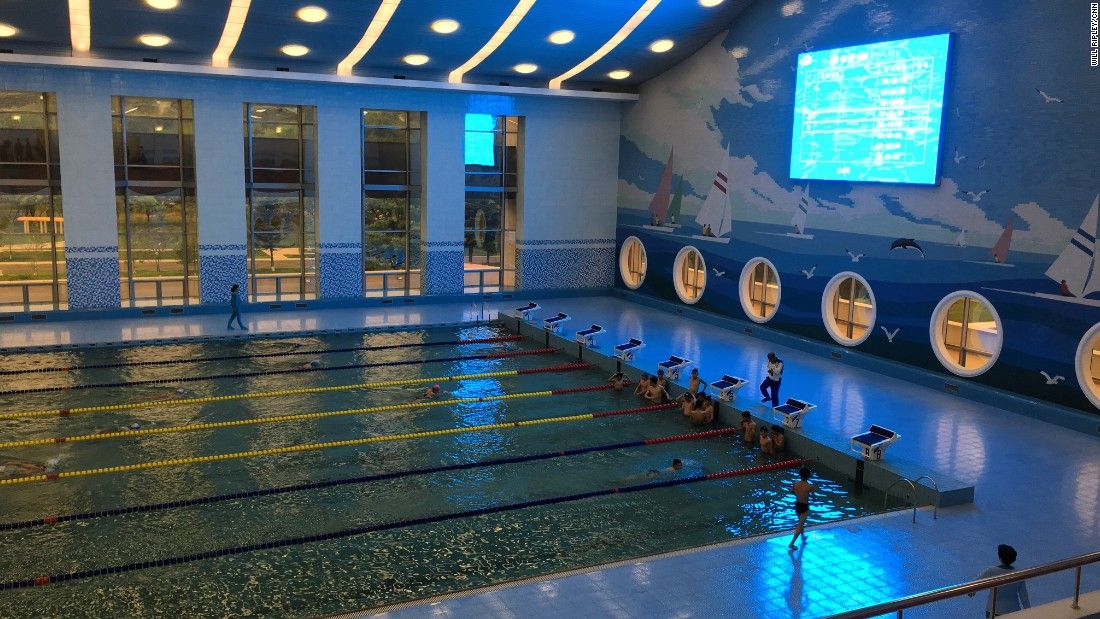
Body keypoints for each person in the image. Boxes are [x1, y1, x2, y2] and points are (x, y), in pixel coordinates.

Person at [968, 544, 1031, 617]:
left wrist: (972, 590)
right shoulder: (1019, 574)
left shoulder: (991, 571)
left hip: (993, 610)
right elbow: (1024, 597)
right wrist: (1029, 612)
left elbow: (976, 581)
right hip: (1013, 610)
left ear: (999, 557)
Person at [789, 466, 816, 549]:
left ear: (800, 475)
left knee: (801, 522)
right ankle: (791, 544)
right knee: (800, 525)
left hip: (797, 505)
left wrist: (798, 494)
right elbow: (814, 498)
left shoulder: (795, 483)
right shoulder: (810, 486)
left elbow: (791, 491)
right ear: (808, 476)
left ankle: (803, 537)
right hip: (804, 506)